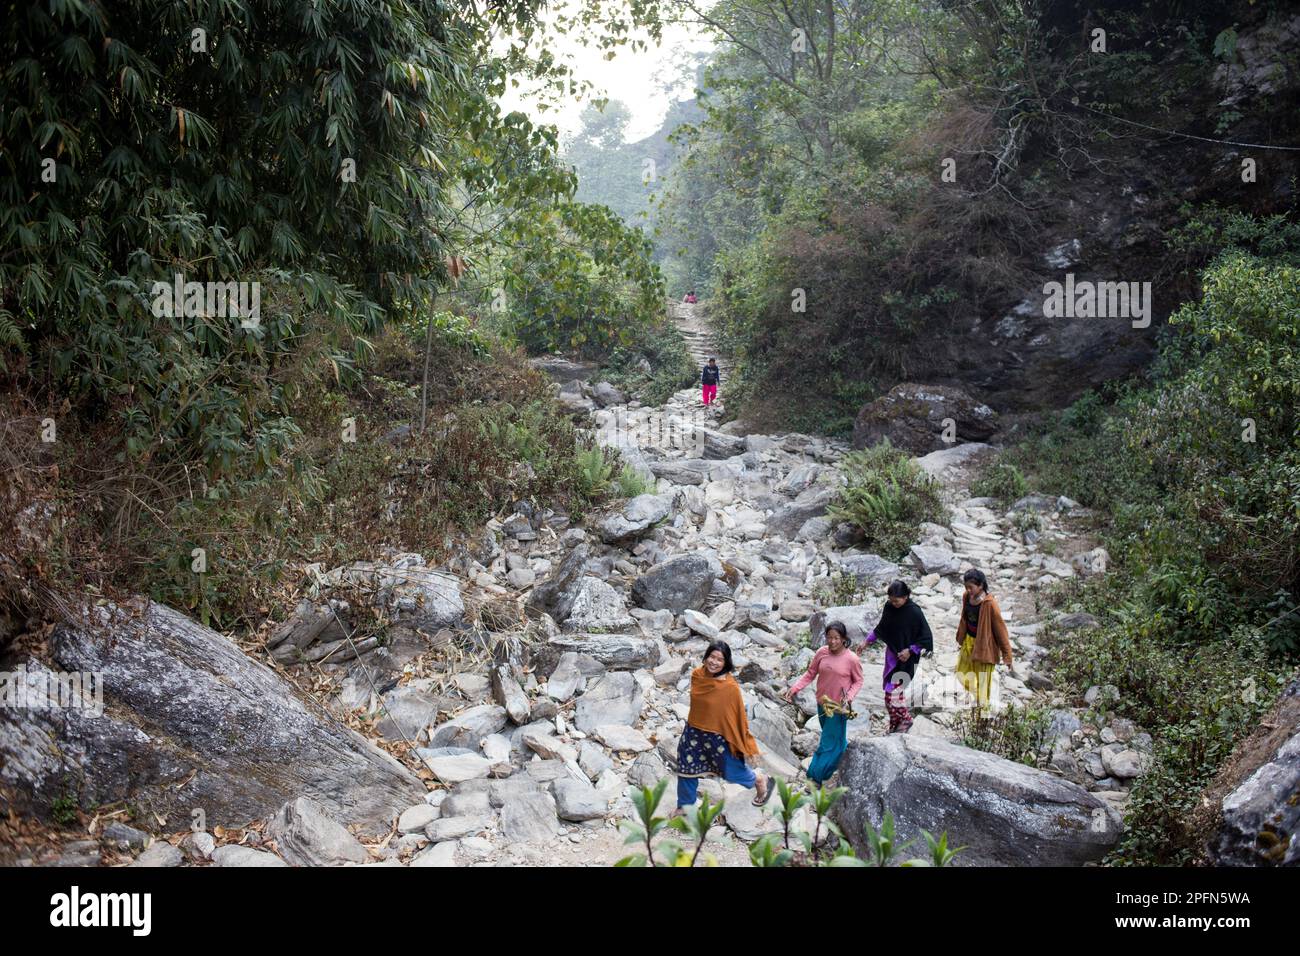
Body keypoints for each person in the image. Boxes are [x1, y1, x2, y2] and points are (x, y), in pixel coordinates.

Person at [675, 641, 776, 812]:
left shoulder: (730, 688)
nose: (714, 662)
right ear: (706, 657)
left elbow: (737, 717)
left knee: (731, 772)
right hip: (693, 733)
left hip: (718, 738)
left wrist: (745, 743)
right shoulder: (697, 676)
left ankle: (759, 779)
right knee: (686, 770)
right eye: (711, 657)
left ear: (726, 663)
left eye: (719, 659)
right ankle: (685, 806)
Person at [783, 621, 863, 785]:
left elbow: (858, 681)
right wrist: (795, 688)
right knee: (837, 741)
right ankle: (845, 758)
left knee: (827, 742)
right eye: (829, 638)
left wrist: (849, 697)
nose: (832, 642)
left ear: (843, 639)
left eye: (836, 638)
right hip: (821, 703)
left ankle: (815, 776)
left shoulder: (851, 659)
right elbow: (811, 673)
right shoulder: (822, 653)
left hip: (838, 708)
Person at [864, 581, 934, 734]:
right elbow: (882, 627)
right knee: (891, 695)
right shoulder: (889, 607)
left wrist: (910, 650)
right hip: (892, 655)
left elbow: (926, 637)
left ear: (906, 596)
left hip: (907, 659)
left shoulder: (915, 612)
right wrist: (867, 642)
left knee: (892, 695)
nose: (894, 603)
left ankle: (906, 719)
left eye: (897, 600)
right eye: (891, 600)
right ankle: (895, 725)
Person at [954, 568, 1014, 710]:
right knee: (961, 673)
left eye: (971, 587)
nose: (968, 590)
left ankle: (983, 714)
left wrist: (1007, 655)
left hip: (984, 647)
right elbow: (964, 618)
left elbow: (1001, 630)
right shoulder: (966, 597)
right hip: (969, 641)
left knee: (983, 681)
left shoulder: (989, 604)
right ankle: (978, 698)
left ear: (981, 586)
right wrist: (960, 637)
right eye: (966, 587)